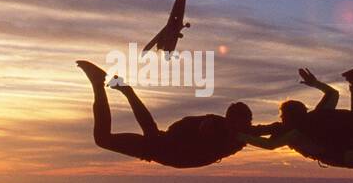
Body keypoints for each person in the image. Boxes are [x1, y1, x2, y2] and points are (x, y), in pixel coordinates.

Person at [76, 60, 266, 168]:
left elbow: (271, 131)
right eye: (233, 120)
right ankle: (104, 85)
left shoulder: (243, 134)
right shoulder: (225, 126)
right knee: (111, 139)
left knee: (144, 134)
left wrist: (293, 126)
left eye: (242, 122)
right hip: (170, 148)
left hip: (172, 152)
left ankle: (116, 88)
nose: (236, 125)